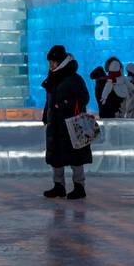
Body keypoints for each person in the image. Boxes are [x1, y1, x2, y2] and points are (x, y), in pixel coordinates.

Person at [41, 44, 91, 200]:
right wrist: (46, 115)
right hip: (55, 124)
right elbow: (49, 100)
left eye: (53, 62)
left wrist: (63, 105)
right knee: (56, 156)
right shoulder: (53, 78)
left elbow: (84, 98)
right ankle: (59, 186)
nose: (50, 65)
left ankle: (79, 186)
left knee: (75, 155)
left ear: (60, 61)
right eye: (49, 62)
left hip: (71, 124)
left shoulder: (73, 78)